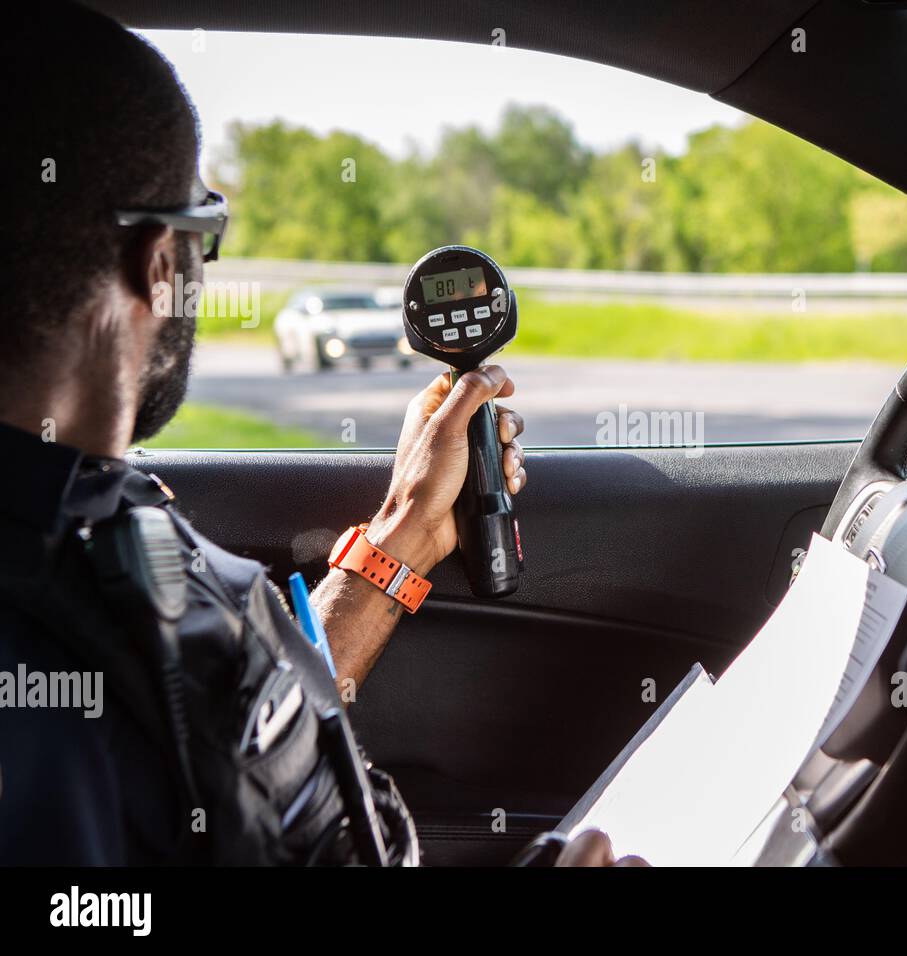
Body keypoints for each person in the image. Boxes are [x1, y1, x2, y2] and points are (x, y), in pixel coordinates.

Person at [0, 1, 639, 867]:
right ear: (158, 262)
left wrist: (404, 535)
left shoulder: (77, 531)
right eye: (206, 232)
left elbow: (240, 737)